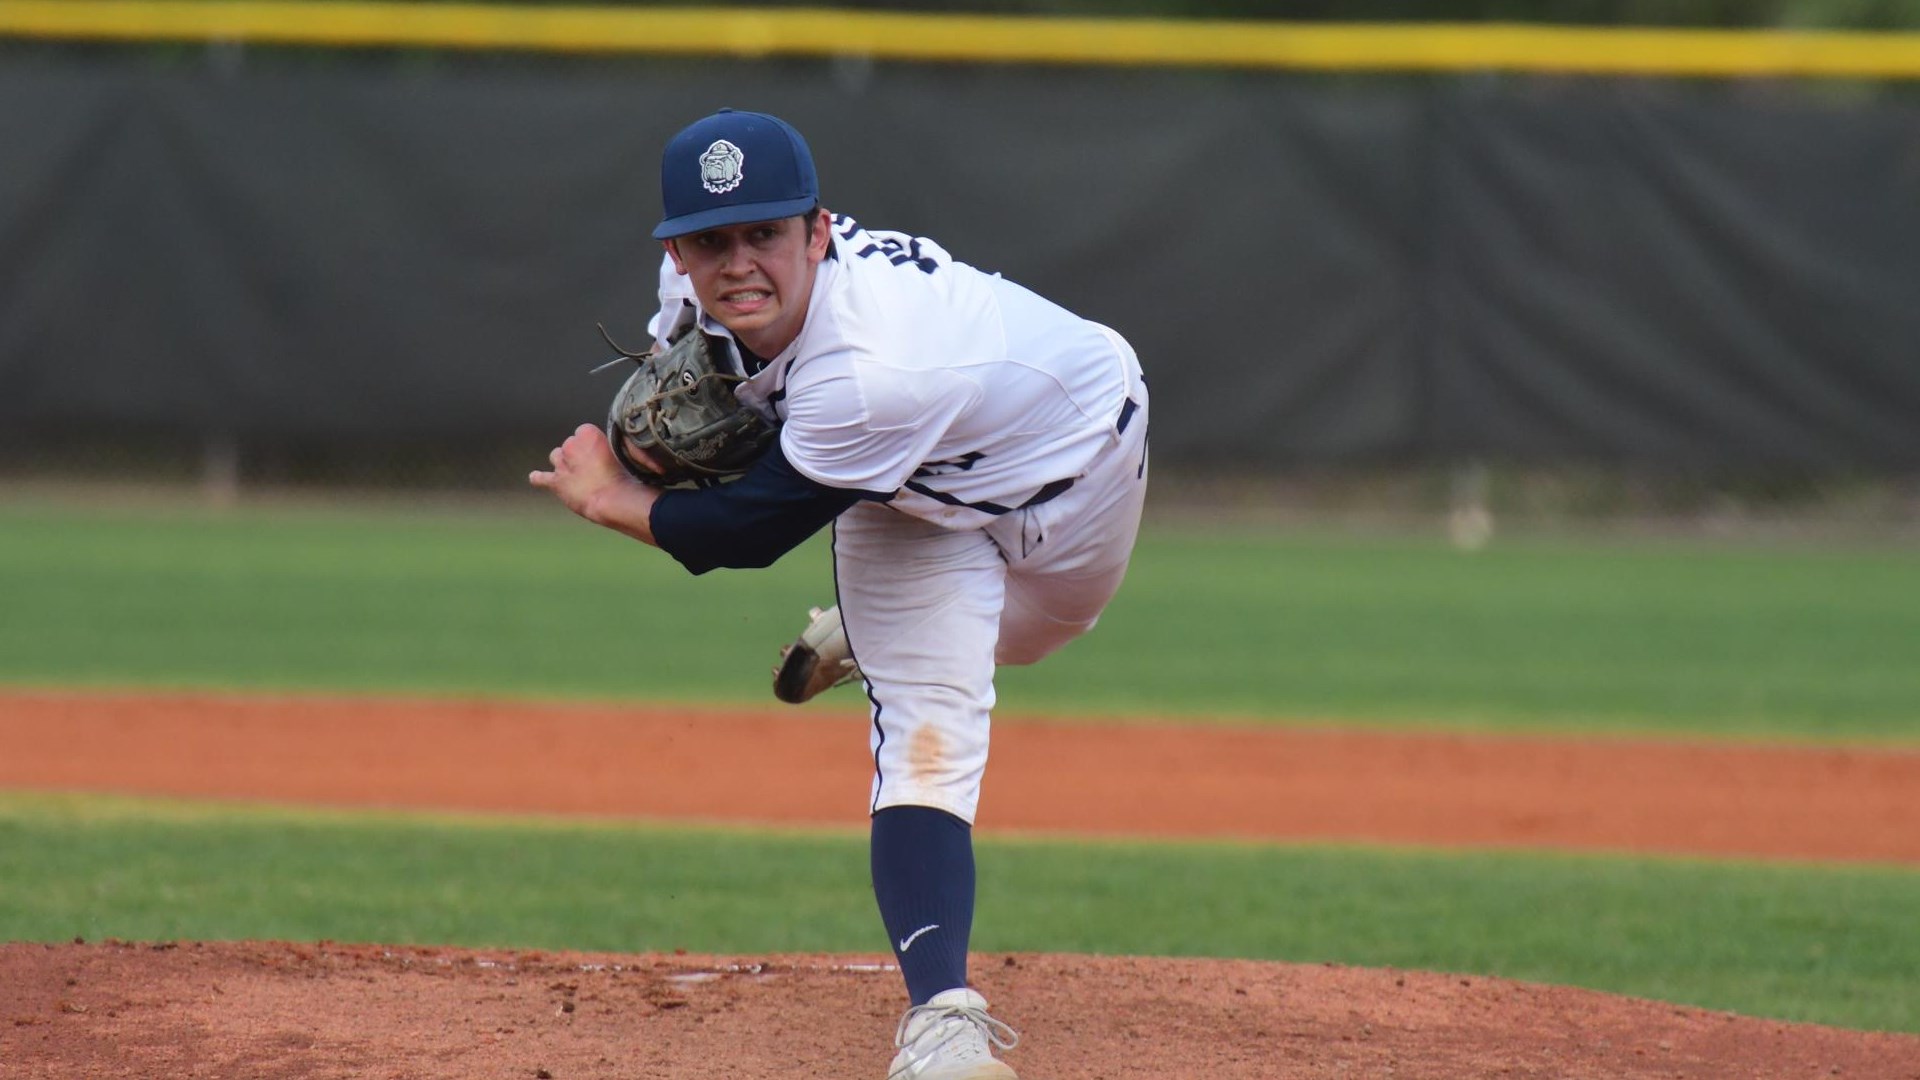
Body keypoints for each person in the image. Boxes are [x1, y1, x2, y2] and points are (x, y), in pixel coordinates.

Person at [530, 108, 1149, 1080]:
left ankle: (866, 633)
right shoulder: (698, 295)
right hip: (903, 500)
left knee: (1033, 639)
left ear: (819, 232)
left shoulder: (872, 371)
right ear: (676, 253)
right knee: (929, 723)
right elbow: (695, 400)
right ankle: (943, 1020)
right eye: (709, 241)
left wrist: (615, 497)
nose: (738, 262)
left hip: (1076, 472)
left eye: (766, 234)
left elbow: (748, 532)